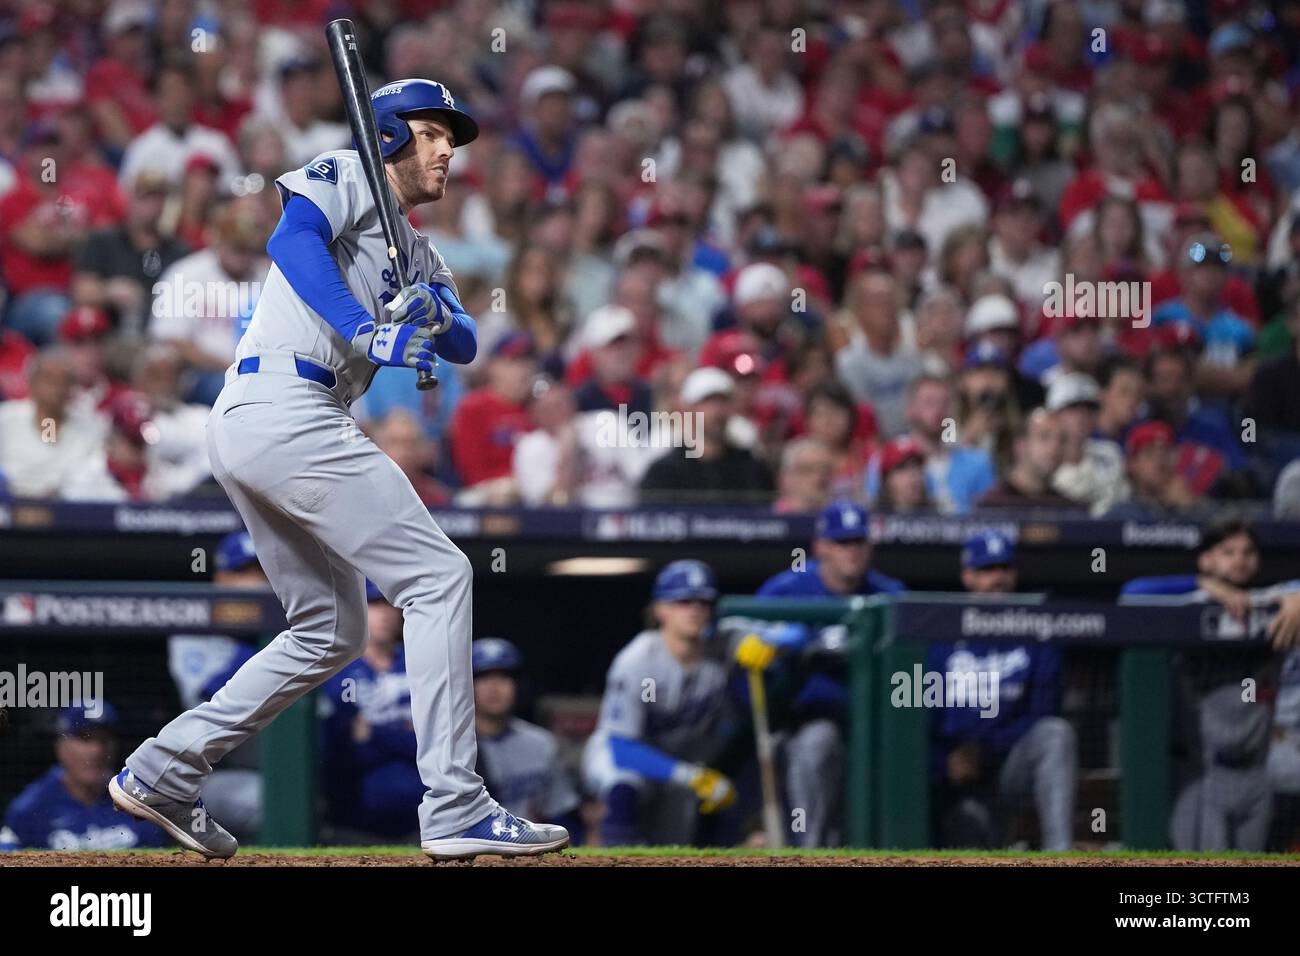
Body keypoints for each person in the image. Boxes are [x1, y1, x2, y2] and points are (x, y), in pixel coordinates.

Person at [107, 79, 568, 861]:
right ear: (387, 134)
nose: (447, 149)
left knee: (331, 629)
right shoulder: (349, 171)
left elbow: (465, 346)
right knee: (439, 576)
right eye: (429, 134)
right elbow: (292, 241)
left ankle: (163, 768)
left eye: (451, 137)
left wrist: (432, 313)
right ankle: (455, 802)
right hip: (287, 403)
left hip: (273, 422)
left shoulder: (417, 246)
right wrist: (369, 330)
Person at [582, 560, 805, 845]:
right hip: (628, 755)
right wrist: (690, 777)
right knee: (624, 785)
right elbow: (622, 748)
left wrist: (772, 644)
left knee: (672, 846)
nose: (695, 609)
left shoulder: (725, 639)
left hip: (684, 761)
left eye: (703, 601)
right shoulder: (636, 660)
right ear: (660, 608)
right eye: (683, 601)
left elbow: (797, 633)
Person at [1122, 517, 1300, 852]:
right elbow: (1132, 592)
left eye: (1247, 552)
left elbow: (1288, 592)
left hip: (1258, 775)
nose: (1239, 559)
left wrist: (1296, 597)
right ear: (1206, 559)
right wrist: (1203, 584)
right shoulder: (1191, 602)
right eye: (1227, 552)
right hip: (1202, 775)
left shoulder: (1272, 605)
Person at [755, 501, 906, 846]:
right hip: (803, 723)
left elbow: (919, 668)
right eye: (841, 542)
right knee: (816, 743)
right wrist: (778, 644)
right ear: (820, 546)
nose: (851, 551)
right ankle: (810, 854)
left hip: (876, 729)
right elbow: (738, 643)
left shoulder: (890, 594)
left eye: (858, 542)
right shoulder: (785, 591)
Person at [928, 531, 1077, 851]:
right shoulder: (938, 634)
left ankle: (1060, 854)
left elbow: (1042, 712)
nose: (997, 578)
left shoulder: (1038, 630)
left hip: (1009, 766)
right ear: (968, 577)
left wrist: (986, 747)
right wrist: (943, 763)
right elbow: (920, 720)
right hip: (956, 784)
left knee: (1055, 733)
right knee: (968, 833)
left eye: (1004, 568)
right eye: (986, 570)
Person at [319, 582, 423, 839]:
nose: (385, 613)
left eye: (391, 605)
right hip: (354, 816)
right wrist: (403, 733)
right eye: (375, 604)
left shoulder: (420, 663)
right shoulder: (335, 669)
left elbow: (433, 741)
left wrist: (373, 733)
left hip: (422, 817)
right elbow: (345, 751)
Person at [1, 706, 166, 851]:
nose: (97, 750)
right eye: (85, 738)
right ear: (60, 746)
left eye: (104, 739)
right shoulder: (29, 810)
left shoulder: (141, 802)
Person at [472, 638, 582, 836]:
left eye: (504, 677)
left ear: (518, 685)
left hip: (530, 849)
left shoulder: (541, 744)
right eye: (483, 677)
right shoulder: (454, 748)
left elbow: (561, 815)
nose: (494, 687)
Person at [639, 367, 773, 504]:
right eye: (707, 402)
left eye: (723, 402)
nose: (717, 411)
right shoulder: (665, 472)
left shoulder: (751, 468)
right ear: (687, 409)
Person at [0, 348, 105, 498]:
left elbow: (94, 479)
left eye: (66, 381)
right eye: (49, 379)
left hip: (67, 511)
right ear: (31, 383)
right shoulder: (6, 420)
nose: (58, 388)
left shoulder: (92, 427)